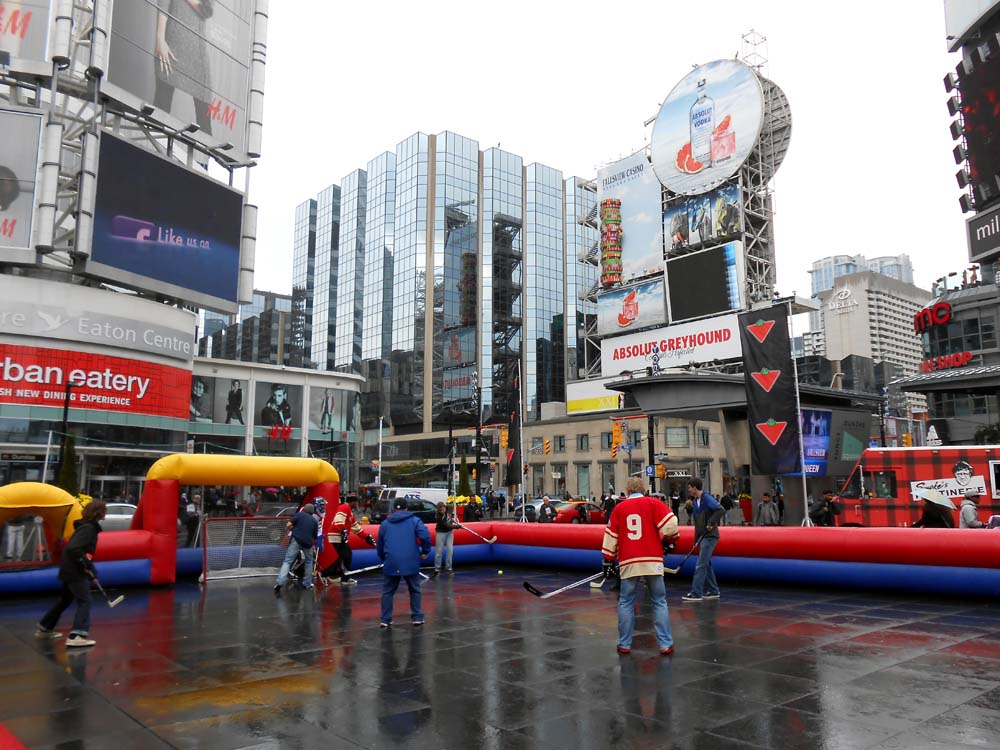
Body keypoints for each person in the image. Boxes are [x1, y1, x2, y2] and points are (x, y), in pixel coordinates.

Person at [601, 478, 679, 655]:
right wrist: (668, 539)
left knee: (626, 602)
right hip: (652, 560)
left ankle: (625, 644)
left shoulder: (619, 509)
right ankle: (665, 644)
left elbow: (611, 536)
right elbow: (672, 524)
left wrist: (608, 559)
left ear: (628, 491)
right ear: (643, 490)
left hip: (629, 561)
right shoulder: (653, 503)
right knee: (659, 601)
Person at [36, 499, 108, 647]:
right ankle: (77, 635)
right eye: (104, 510)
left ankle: (45, 626)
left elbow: (80, 551)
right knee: (85, 600)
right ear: (99, 513)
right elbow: (74, 548)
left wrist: (90, 568)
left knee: (66, 600)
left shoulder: (86, 527)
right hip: (75, 571)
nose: (106, 512)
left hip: (70, 568)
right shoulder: (88, 529)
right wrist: (85, 564)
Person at [154, 0, 214, 134]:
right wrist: (160, 40)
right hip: (170, 46)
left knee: (204, 119)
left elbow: (207, 10)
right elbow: (163, 5)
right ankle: (152, 148)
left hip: (197, 53)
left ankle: (207, 154)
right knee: (161, 106)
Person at [377, 498, 432, 627]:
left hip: (391, 560)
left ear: (394, 508)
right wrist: (425, 551)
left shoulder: (385, 523)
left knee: (388, 591)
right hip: (410, 559)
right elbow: (425, 536)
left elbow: (380, 544)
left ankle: (385, 619)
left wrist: (383, 557)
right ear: (407, 508)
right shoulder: (414, 521)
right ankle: (417, 617)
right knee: (414, 589)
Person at [682, 478, 724, 602]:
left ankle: (696, 592)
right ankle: (713, 590)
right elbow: (697, 524)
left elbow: (720, 509)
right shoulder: (696, 502)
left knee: (700, 564)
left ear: (695, 487)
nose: (688, 490)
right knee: (706, 563)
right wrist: (696, 540)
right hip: (703, 537)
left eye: (689, 487)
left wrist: (711, 522)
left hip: (710, 536)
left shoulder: (707, 498)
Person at [323, 496, 376, 585]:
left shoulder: (350, 513)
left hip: (340, 535)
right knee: (345, 556)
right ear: (353, 502)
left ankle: (342, 576)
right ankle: (327, 574)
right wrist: (343, 530)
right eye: (356, 502)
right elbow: (338, 521)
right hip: (336, 535)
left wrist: (367, 537)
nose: (357, 504)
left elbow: (356, 528)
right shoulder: (344, 507)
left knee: (346, 556)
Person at [274, 503, 319, 596]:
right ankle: (307, 583)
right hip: (308, 543)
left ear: (305, 509)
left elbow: (288, 524)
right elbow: (315, 536)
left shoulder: (299, 515)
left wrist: (294, 530)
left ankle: (280, 583)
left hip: (296, 540)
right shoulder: (314, 521)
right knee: (309, 561)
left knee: (288, 561)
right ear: (312, 511)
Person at [434, 501, 457, 574]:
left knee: (450, 550)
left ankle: (449, 568)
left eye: (443, 509)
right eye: (440, 510)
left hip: (449, 533)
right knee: (439, 551)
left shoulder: (449, 508)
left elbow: (452, 507)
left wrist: (452, 518)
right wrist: (457, 527)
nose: (442, 511)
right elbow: (446, 525)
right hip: (441, 532)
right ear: (438, 510)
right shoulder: (438, 517)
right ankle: (437, 569)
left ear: (445, 507)